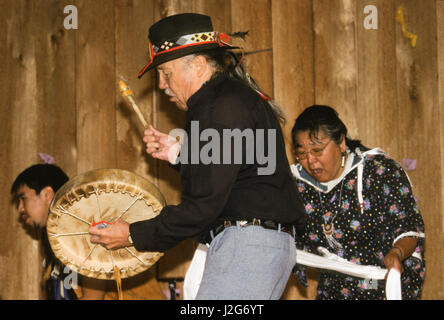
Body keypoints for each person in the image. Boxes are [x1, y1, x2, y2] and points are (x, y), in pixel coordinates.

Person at [89, 13, 306, 300]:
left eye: (166, 73)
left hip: (247, 245)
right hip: (258, 245)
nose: (162, 85)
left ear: (200, 65)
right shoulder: (232, 100)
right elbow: (239, 172)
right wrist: (180, 154)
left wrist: (132, 233)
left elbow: (204, 205)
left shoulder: (220, 105)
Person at [290, 105, 425, 300]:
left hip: (383, 284)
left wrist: (396, 252)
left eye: (318, 150)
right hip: (335, 288)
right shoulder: (297, 184)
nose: (310, 161)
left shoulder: (378, 171)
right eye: (301, 153)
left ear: (341, 142)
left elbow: (407, 227)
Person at [11, 163, 106, 300]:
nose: (20, 208)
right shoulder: (56, 239)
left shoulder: (85, 232)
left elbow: (94, 297)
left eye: (23, 198)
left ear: (47, 194)